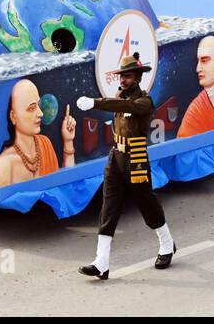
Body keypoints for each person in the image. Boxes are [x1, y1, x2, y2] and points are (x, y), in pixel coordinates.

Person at [75, 55, 176, 280]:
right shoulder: (120, 95)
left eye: (128, 76)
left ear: (138, 77)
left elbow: (125, 106)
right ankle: (101, 262)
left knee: (146, 202)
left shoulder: (144, 102)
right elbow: (120, 103)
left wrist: (95, 102)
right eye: (121, 76)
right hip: (116, 155)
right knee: (108, 206)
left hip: (136, 155)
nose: (123, 80)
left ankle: (167, 244)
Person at [0, 78, 76, 188]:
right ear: (13, 116)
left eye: (39, 105)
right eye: (31, 108)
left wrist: (68, 141)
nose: (40, 113)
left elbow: (64, 187)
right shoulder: (4, 165)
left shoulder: (45, 143)